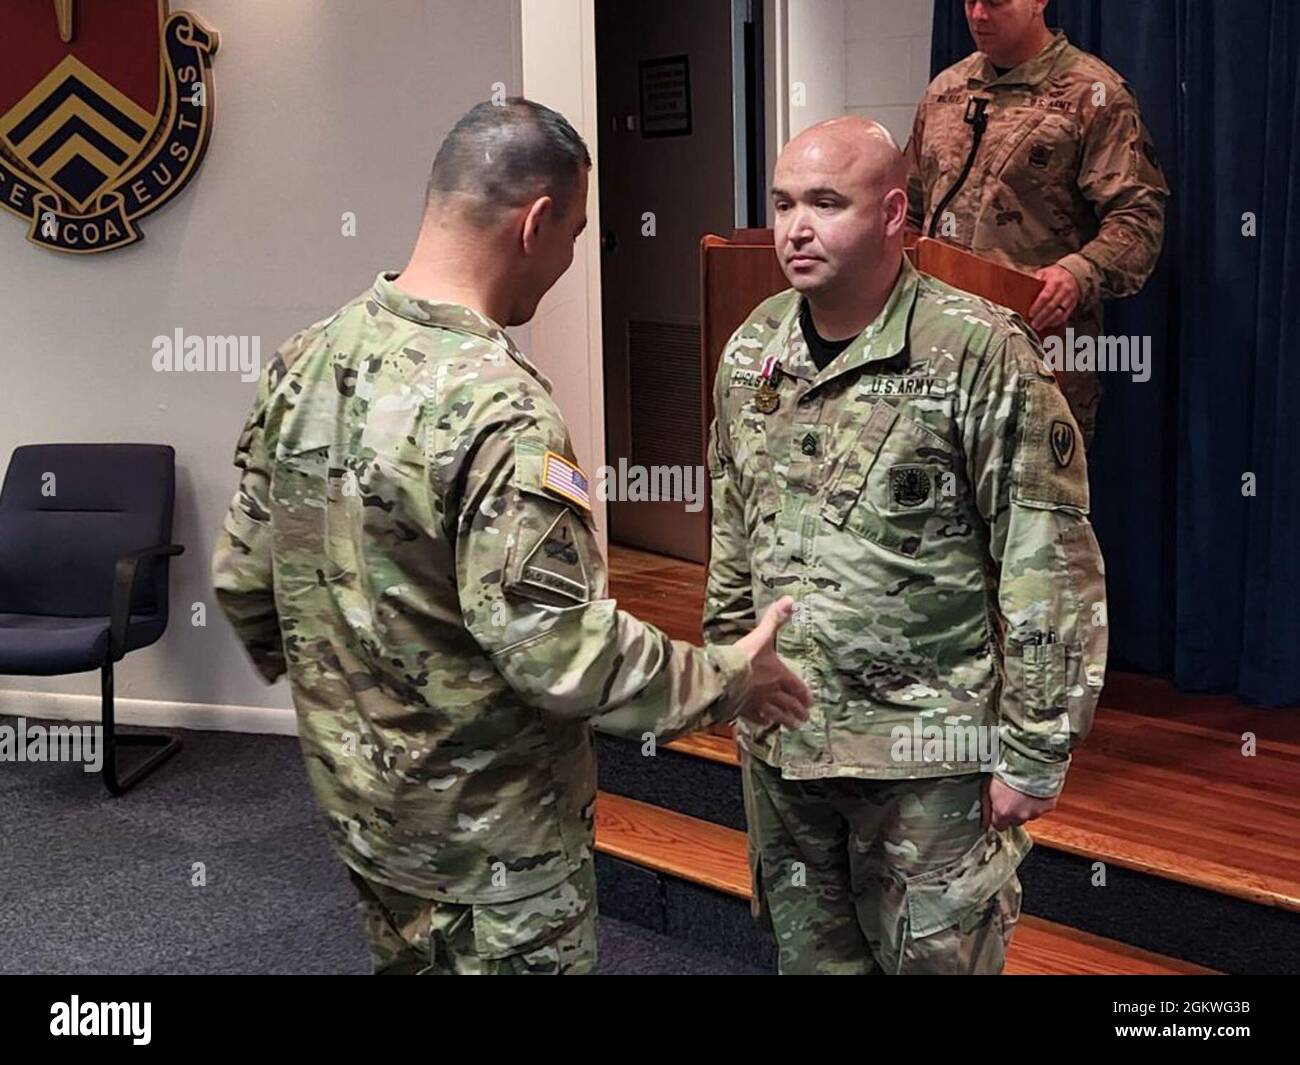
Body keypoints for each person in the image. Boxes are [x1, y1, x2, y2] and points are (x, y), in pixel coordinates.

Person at [211, 98, 811, 975]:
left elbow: (240, 577)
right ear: (536, 223)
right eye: (573, 234)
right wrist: (731, 677)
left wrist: (346, 706)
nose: (569, 260)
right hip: (495, 854)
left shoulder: (308, 356)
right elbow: (562, 655)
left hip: (363, 816)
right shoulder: (500, 410)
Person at [705, 115, 1106, 974]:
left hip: (929, 757)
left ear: (893, 214)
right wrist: (724, 669)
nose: (795, 228)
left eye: (824, 202)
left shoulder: (978, 351)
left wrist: (1036, 746)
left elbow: (1047, 560)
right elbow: (732, 527)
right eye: (781, 204)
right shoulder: (751, 351)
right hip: (785, 741)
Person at [904, 0, 1168, 444]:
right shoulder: (945, 92)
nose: (978, 16)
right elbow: (907, 211)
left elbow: (1139, 219)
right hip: (937, 351)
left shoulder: (1093, 93)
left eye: (995, 2)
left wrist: (1077, 274)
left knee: (1038, 507)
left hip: (1039, 350)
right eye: (969, 1)